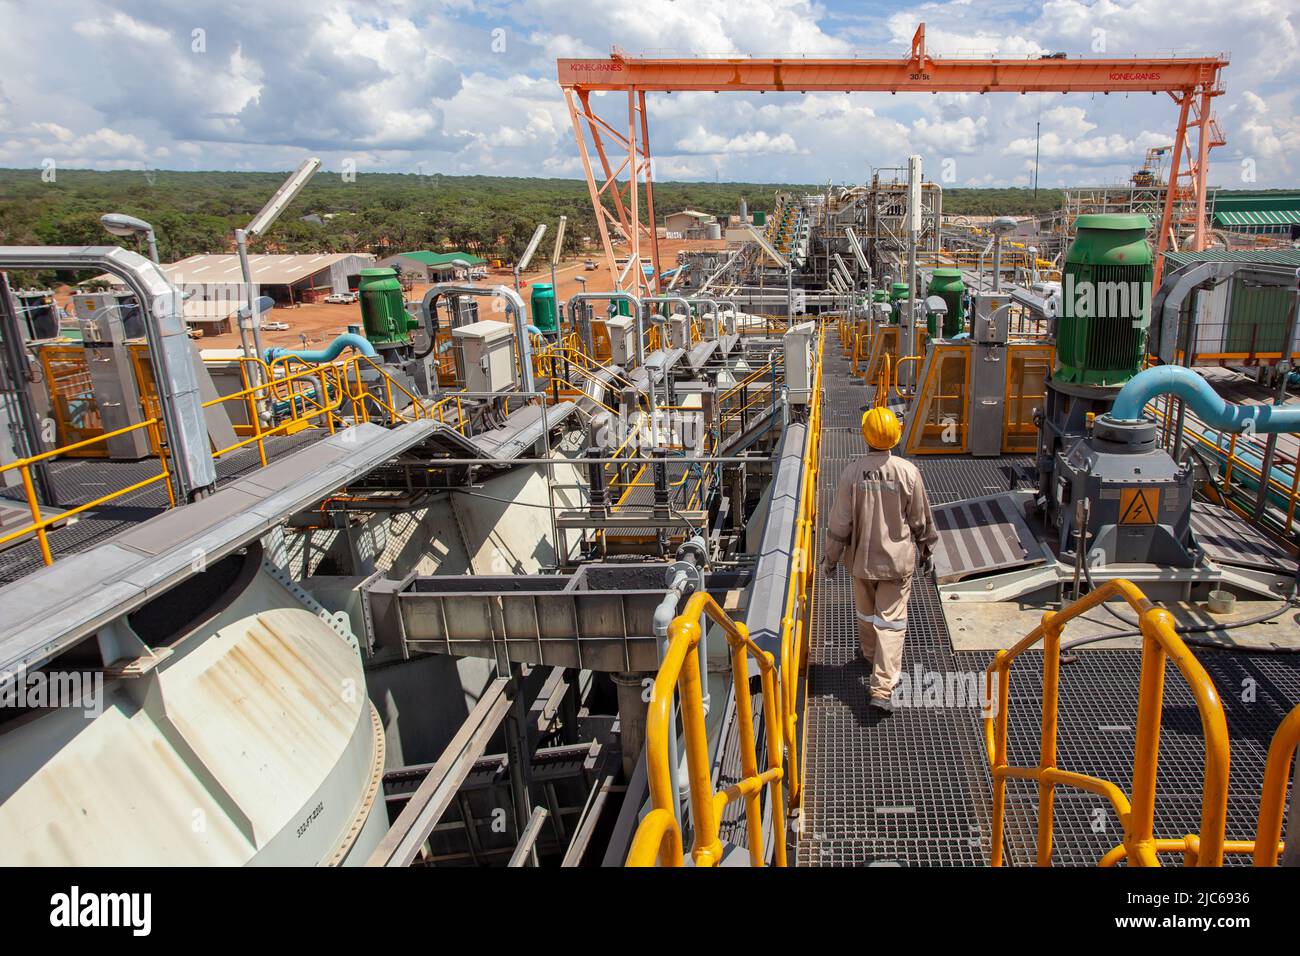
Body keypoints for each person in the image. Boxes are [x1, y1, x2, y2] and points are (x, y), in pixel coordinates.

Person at [822, 407, 938, 713]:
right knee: (891, 623)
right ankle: (882, 688)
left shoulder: (852, 472)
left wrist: (830, 560)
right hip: (896, 564)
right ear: (896, 436)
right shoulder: (907, 472)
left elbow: (839, 524)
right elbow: (921, 519)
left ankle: (870, 654)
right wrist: (926, 550)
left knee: (866, 614)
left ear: (866, 436)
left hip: (861, 561)